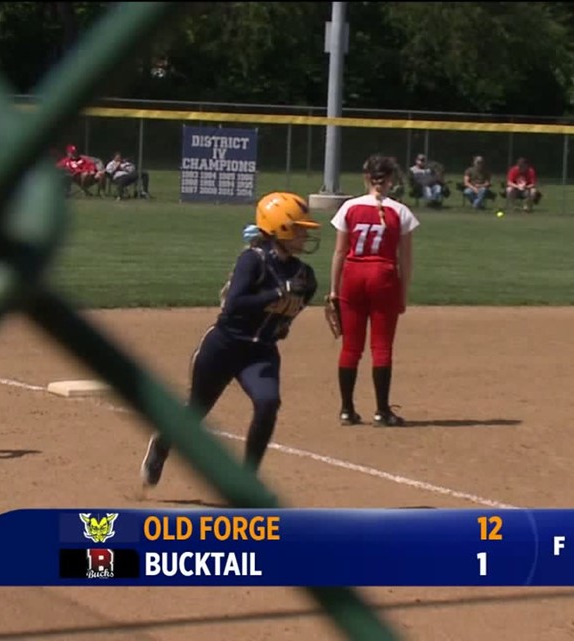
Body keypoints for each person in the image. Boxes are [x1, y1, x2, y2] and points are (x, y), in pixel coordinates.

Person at [140, 192, 320, 486]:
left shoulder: (305, 275)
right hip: (224, 346)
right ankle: (162, 446)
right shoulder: (253, 260)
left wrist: (281, 321)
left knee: (268, 403)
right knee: (196, 411)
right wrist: (277, 293)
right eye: (300, 228)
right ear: (280, 228)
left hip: (260, 352)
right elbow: (235, 303)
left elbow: (293, 310)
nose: (305, 234)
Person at [330, 154, 420, 427]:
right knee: (381, 346)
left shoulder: (349, 207)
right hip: (383, 277)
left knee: (351, 347)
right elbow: (405, 259)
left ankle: (347, 409)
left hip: (353, 276)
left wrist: (334, 289)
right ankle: (382, 411)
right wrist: (402, 293)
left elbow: (339, 252)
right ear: (391, 180)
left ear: (366, 177)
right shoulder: (400, 211)